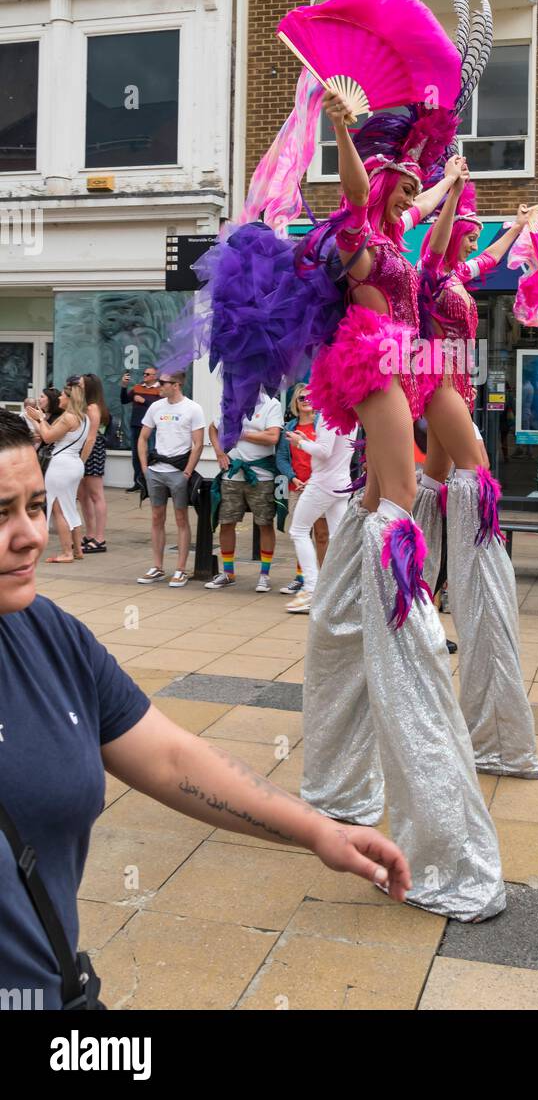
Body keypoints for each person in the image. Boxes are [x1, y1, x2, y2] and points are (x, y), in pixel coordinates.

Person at [0, 408, 411, 1010]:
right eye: (0, 514)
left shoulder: (47, 633)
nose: (32, 533)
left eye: (36, 506)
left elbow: (169, 758)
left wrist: (319, 832)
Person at [297, 88, 505, 921]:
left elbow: (422, 208)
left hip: (408, 359)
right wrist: (342, 127)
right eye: (402, 173)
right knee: (405, 493)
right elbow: (353, 190)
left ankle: (354, 604)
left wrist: (452, 176)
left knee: (390, 494)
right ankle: (403, 610)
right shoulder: (356, 227)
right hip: (373, 359)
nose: (406, 185)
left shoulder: (395, 229)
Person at [411, 176, 538, 779]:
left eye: (468, 236)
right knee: (478, 480)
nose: (468, 242)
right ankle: (467, 588)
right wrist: (455, 183)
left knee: (432, 489)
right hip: (437, 378)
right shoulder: (433, 274)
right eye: (463, 232)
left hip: (453, 383)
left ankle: (419, 590)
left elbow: (489, 257)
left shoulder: (460, 276)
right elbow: (437, 245)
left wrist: (515, 224)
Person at [205, 388, 283, 593]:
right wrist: (219, 452)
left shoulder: (271, 404)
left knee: (265, 523)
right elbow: (213, 428)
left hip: (261, 475)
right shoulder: (230, 401)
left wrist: (241, 434)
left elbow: (273, 437)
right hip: (232, 473)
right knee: (226, 522)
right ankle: (228, 572)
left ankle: (264, 575)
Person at [284, 412, 357, 615]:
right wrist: (307, 440)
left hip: (324, 483)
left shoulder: (328, 414)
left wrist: (300, 442)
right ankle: (342, 591)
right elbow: (333, 449)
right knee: (338, 538)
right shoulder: (350, 414)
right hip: (341, 482)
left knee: (298, 531)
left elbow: (324, 452)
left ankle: (311, 589)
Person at [136, 371, 205, 588]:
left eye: (163, 383)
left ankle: (181, 569)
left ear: (176, 385)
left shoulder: (193, 408)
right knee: (157, 517)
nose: (159, 386)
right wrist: (145, 467)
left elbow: (198, 443)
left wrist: (187, 471)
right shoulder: (156, 407)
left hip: (178, 470)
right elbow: (143, 437)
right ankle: (157, 566)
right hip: (156, 469)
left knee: (181, 518)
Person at [24, 383, 93, 564]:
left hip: (61, 465)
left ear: (70, 399)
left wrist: (39, 419)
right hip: (75, 464)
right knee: (70, 507)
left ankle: (66, 552)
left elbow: (47, 438)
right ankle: (77, 550)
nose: (59, 398)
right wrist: (37, 420)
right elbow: (50, 432)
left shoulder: (67, 417)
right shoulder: (84, 418)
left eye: (62, 395)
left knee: (58, 509)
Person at [275, 384, 318, 596]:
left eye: (310, 397)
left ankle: (321, 579)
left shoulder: (322, 426)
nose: (306, 400)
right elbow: (282, 458)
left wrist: (313, 479)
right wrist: (293, 477)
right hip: (296, 487)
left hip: (319, 486)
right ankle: (301, 578)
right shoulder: (289, 428)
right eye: (302, 398)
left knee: (322, 534)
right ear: (295, 402)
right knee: (300, 534)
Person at [78, 374, 110, 555]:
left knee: (96, 494)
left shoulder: (93, 408)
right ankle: (90, 534)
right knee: (83, 495)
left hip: (92, 452)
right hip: (83, 451)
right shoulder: (85, 406)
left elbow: (91, 437)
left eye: (81, 384)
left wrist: (81, 461)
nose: (78, 387)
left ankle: (99, 537)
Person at [121, 366, 161, 491]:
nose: (144, 376)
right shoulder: (137, 388)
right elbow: (124, 400)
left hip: (151, 427)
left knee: (150, 454)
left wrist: (144, 401)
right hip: (136, 425)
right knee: (136, 456)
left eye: (147, 374)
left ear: (155, 376)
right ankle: (138, 482)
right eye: (144, 374)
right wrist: (124, 386)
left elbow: (161, 408)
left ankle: (150, 484)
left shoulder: (160, 390)